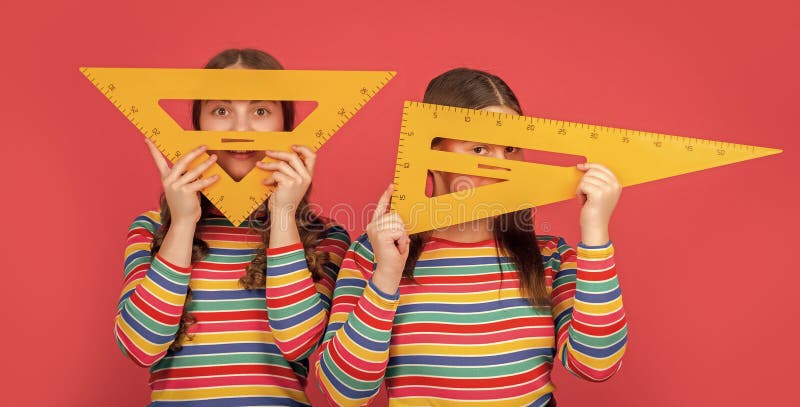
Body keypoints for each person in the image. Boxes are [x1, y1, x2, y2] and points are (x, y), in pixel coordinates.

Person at [316, 68, 627, 406]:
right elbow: (343, 393)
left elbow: (597, 364)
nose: (501, 165)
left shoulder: (550, 256)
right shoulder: (374, 253)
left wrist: (596, 234)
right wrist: (386, 277)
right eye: (479, 149)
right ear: (428, 158)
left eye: (511, 148)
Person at [115, 48, 350, 406]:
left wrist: (284, 213)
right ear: (197, 127)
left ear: (287, 128)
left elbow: (298, 341)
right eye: (221, 111)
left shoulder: (324, 237)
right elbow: (140, 346)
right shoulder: (150, 229)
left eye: (260, 111)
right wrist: (182, 224)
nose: (241, 129)